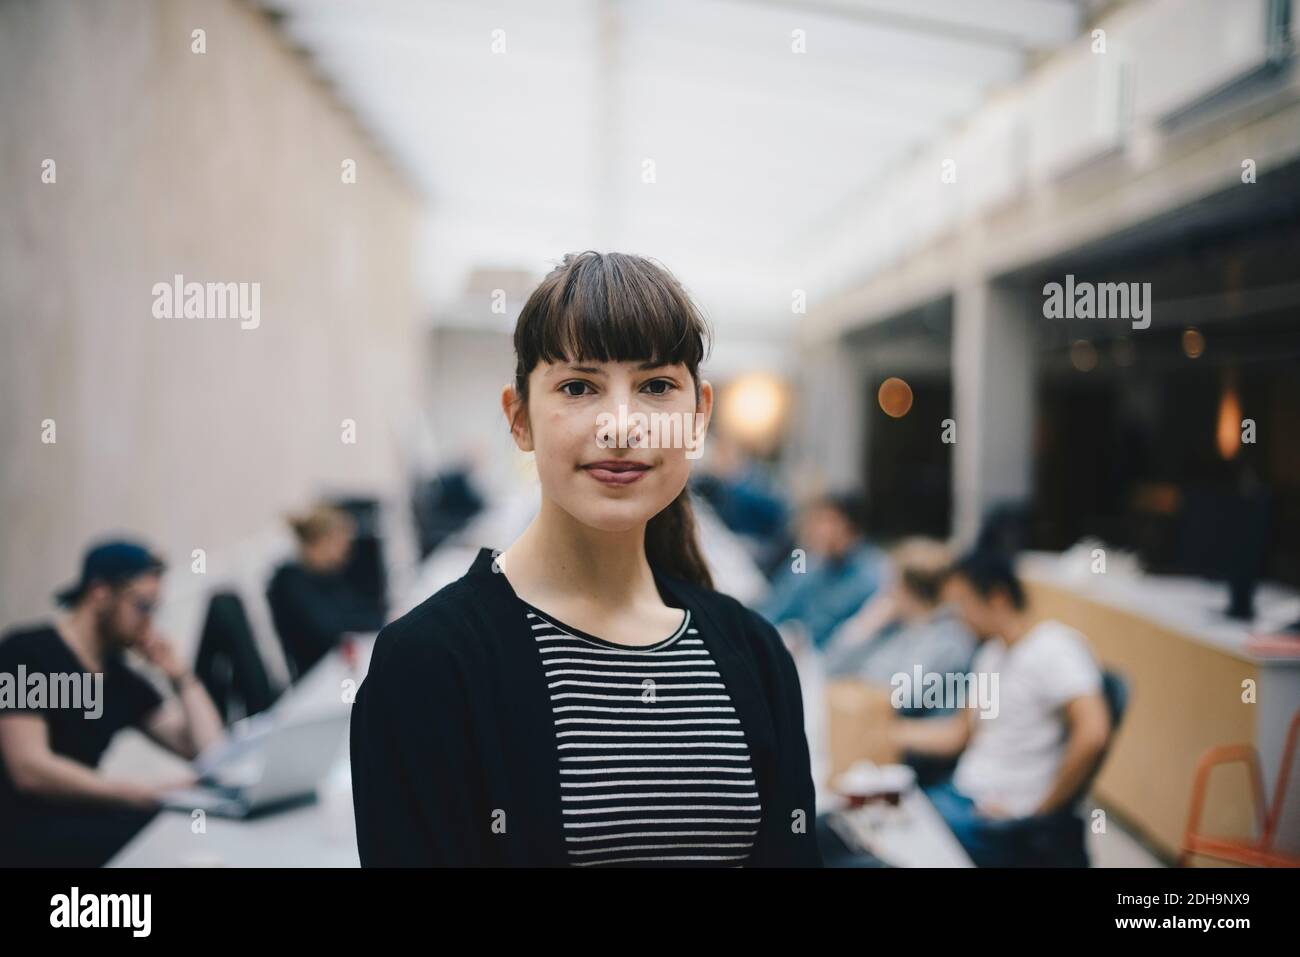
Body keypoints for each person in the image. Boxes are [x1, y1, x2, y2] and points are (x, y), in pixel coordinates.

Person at [350, 251, 822, 867]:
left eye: (656, 387)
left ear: (699, 416)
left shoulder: (756, 655)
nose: (620, 426)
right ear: (519, 418)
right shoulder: (428, 665)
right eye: (579, 387)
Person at [0, 540, 226, 867]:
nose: (150, 623)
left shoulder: (117, 676)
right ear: (100, 594)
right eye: (143, 607)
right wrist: (136, 791)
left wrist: (181, 676)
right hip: (24, 835)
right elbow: (29, 768)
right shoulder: (26, 652)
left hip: (83, 825)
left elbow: (208, 751)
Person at [888, 550, 1111, 867]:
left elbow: (1093, 734)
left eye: (963, 604)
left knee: (890, 843)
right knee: (875, 822)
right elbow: (957, 734)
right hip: (961, 795)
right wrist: (888, 732)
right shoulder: (992, 654)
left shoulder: (1054, 647)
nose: (959, 617)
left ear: (997, 598)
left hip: (1002, 817)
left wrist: (1039, 814)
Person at [822, 538, 976, 699]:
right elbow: (831, 666)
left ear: (908, 591)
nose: (885, 592)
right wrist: (865, 625)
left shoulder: (949, 641)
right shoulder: (895, 628)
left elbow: (901, 699)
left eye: (892, 584)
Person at [267, 504, 386, 680]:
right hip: (313, 677)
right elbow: (330, 626)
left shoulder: (326, 574)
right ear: (323, 541)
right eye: (342, 543)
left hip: (333, 665)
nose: (347, 552)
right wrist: (382, 621)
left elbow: (352, 607)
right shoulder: (291, 583)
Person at [759, 492, 888, 651]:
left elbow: (851, 642)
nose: (815, 529)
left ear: (850, 526)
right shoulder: (807, 563)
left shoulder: (873, 575)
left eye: (825, 521)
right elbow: (773, 610)